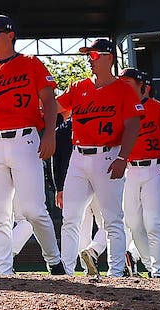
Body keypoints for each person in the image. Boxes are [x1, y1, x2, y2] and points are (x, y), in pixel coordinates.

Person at [0, 15, 66, 276]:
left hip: (25, 139)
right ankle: (3, 271)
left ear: (10, 35)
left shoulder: (31, 64)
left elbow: (50, 100)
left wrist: (50, 134)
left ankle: (54, 260)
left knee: (33, 210)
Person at [60, 39, 141, 278]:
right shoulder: (78, 87)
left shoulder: (124, 89)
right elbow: (54, 107)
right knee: (70, 217)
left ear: (109, 58)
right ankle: (65, 270)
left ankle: (116, 272)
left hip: (108, 155)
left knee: (113, 218)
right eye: (88, 55)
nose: (89, 59)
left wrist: (123, 158)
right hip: (79, 155)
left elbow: (133, 125)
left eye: (94, 55)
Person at [121, 71, 160, 278]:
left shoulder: (159, 108)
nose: (124, 85)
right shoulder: (120, 108)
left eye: (128, 82)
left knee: (154, 221)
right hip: (131, 170)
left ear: (142, 84)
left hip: (156, 168)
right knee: (133, 222)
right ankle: (151, 265)